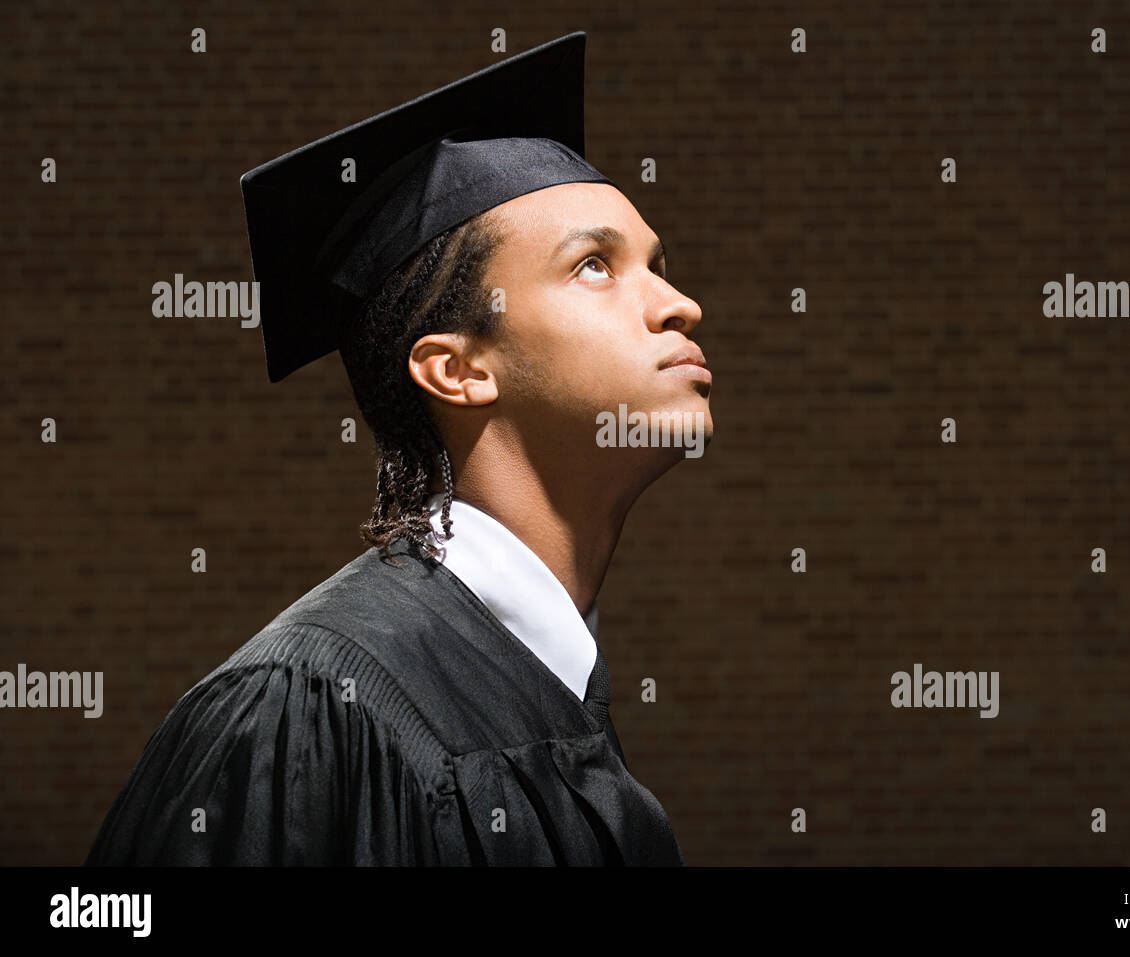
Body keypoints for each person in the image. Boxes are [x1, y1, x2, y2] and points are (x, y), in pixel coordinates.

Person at [85, 31, 710, 866]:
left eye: (658, 264)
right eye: (595, 265)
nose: (679, 304)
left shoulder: (560, 702)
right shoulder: (300, 715)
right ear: (456, 369)